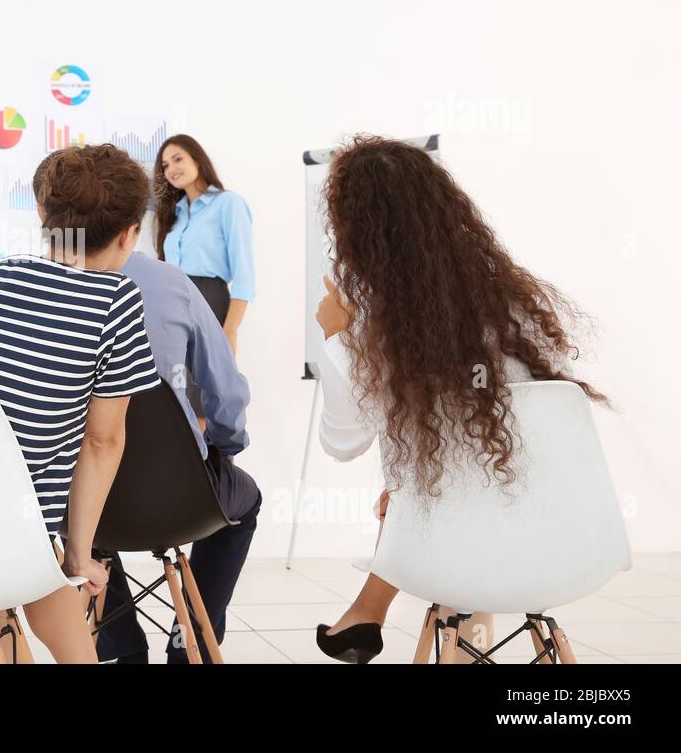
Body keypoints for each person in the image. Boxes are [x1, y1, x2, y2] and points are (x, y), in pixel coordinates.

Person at [312, 135, 607, 664]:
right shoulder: (514, 303)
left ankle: (371, 616)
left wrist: (336, 338)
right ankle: (450, 641)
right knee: (442, 483)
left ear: (359, 232)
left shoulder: (382, 327)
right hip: (565, 533)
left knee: (423, 492)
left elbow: (342, 443)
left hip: (456, 546)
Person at [0, 143, 163, 663]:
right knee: (29, 549)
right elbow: (102, 442)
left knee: (24, 555)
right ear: (128, 235)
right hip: (10, 535)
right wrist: (80, 553)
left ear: (42, 214)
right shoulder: (114, 301)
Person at [32, 150, 260, 663]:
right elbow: (225, 393)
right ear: (131, 231)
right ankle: (192, 642)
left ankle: (121, 643)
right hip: (180, 497)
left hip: (69, 511)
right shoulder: (172, 283)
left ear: (48, 218)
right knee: (243, 506)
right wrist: (224, 447)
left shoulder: (20, 296)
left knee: (87, 507)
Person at [153, 134, 255, 418]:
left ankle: (208, 461)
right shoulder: (174, 215)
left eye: (178, 159)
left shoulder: (228, 204)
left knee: (205, 397)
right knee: (175, 396)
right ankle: (184, 460)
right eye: (164, 165)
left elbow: (245, 275)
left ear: (197, 159)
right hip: (173, 305)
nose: (171, 169)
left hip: (210, 301)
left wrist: (229, 330)